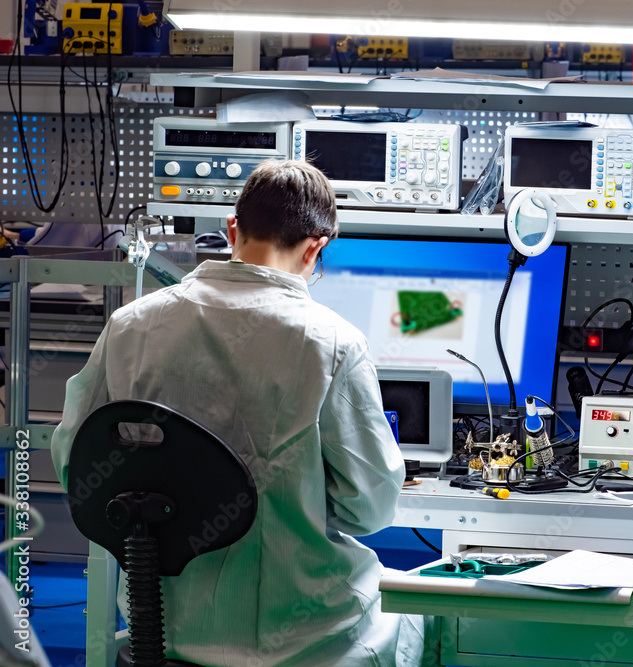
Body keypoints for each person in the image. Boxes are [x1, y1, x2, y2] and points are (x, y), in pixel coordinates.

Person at [51, 160, 416, 666]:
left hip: (162, 632)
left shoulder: (130, 326)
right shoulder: (330, 343)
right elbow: (371, 509)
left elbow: (77, 463)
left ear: (231, 228)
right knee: (424, 617)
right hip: (307, 639)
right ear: (316, 248)